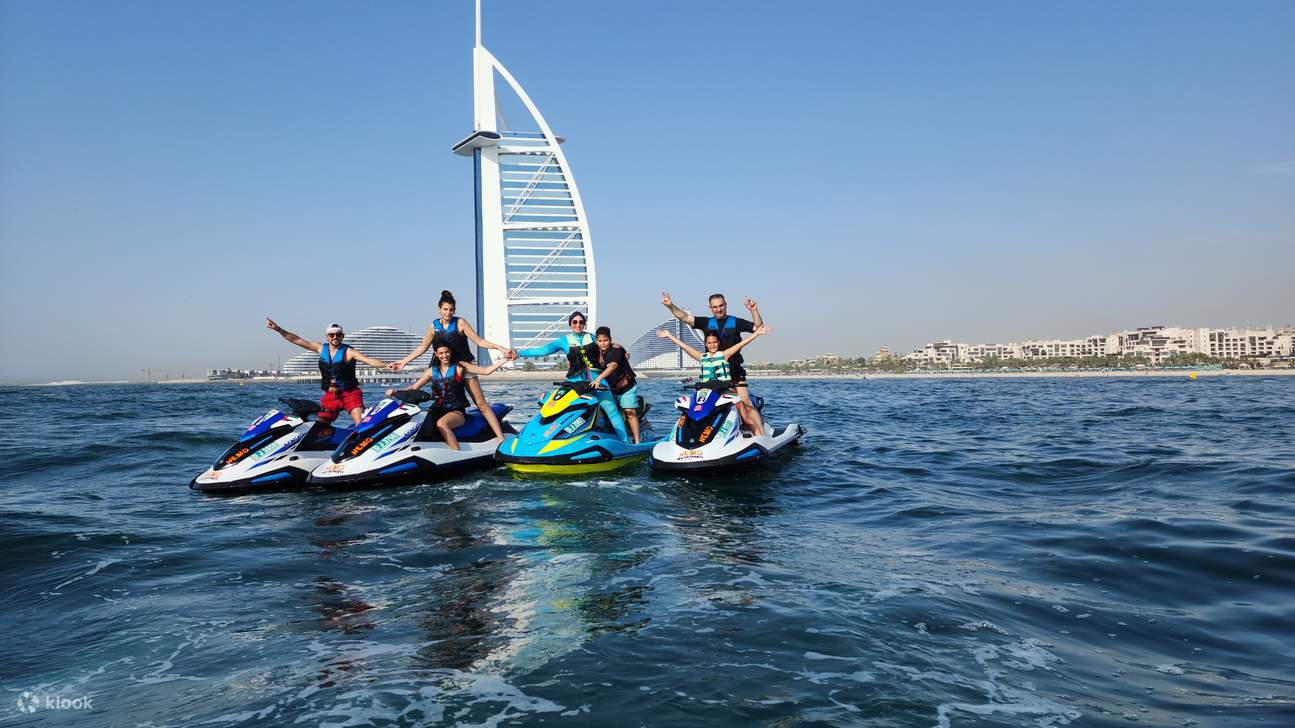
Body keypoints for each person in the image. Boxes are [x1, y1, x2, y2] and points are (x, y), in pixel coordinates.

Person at [391, 290, 510, 442]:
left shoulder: (460, 323)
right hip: (443, 368)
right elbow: (423, 348)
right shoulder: (433, 326)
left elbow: (479, 342)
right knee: (437, 400)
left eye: (451, 310)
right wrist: (403, 362)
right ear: (439, 309)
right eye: (445, 309)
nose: (448, 312)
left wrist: (501, 348)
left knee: (481, 404)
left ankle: (500, 438)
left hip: (463, 367)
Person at [513, 311, 631, 441]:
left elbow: (609, 344)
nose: (578, 324)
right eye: (574, 322)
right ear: (570, 324)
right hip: (575, 383)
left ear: (584, 323)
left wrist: (623, 351)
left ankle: (625, 442)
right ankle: (554, 440)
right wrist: (519, 354)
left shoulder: (592, 337)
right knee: (566, 411)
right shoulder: (563, 341)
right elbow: (542, 350)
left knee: (611, 410)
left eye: (581, 322)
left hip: (597, 380)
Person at [386, 343, 512, 451]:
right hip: (437, 410)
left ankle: (456, 454)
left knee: (442, 424)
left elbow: (486, 371)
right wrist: (395, 392)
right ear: (436, 354)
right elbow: (414, 388)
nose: (444, 355)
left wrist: (505, 359)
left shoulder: (459, 367)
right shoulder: (431, 371)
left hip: (456, 412)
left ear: (450, 352)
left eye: (447, 352)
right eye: (441, 353)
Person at [266, 318, 389, 425]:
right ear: (327, 336)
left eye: (338, 334)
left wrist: (387, 365)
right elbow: (297, 340)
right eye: (332, 335)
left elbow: (370, 361)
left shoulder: (349, 352)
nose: (335, 337)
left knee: (361, 424)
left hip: (350, 394)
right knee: (319, 427)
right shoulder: (320, 348)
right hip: (331, 396)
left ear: (342, 336)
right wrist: (278, 329)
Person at [656, 323, 771, 436]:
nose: (712, 345)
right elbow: (685, 346)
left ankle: (760, 436)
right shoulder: (701, 357)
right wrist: (669, 336)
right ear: (706, 344)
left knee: (745, 416)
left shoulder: (724, 354)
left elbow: (741, 344)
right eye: (709, 343)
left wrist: (757, 333)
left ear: (718, 343)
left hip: (725, 391)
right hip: (706, 392)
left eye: (714, 342)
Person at [661, 292, 763, 410]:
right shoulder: (706, 322)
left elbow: (758, 327)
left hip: (735, 373)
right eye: (715, 307)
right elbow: (684, 317)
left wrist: (754, 310)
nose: (718, 309)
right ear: (710, 308)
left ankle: (758, 429)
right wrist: (670, 306)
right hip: (712, 376)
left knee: (746, 406)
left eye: (721, 306)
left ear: (725, 305)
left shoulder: (736, 322)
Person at [588, 326, 643, 443]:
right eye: (600, 341)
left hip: (626, 388)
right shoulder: (595, 353)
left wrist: (598, 379)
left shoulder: (616, 350)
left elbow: (613, 366)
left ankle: (638, 442)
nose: (603, 344)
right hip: (611, 389)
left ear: (610, 340)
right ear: (596, 341)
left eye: (606, 340)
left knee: (629, 412)